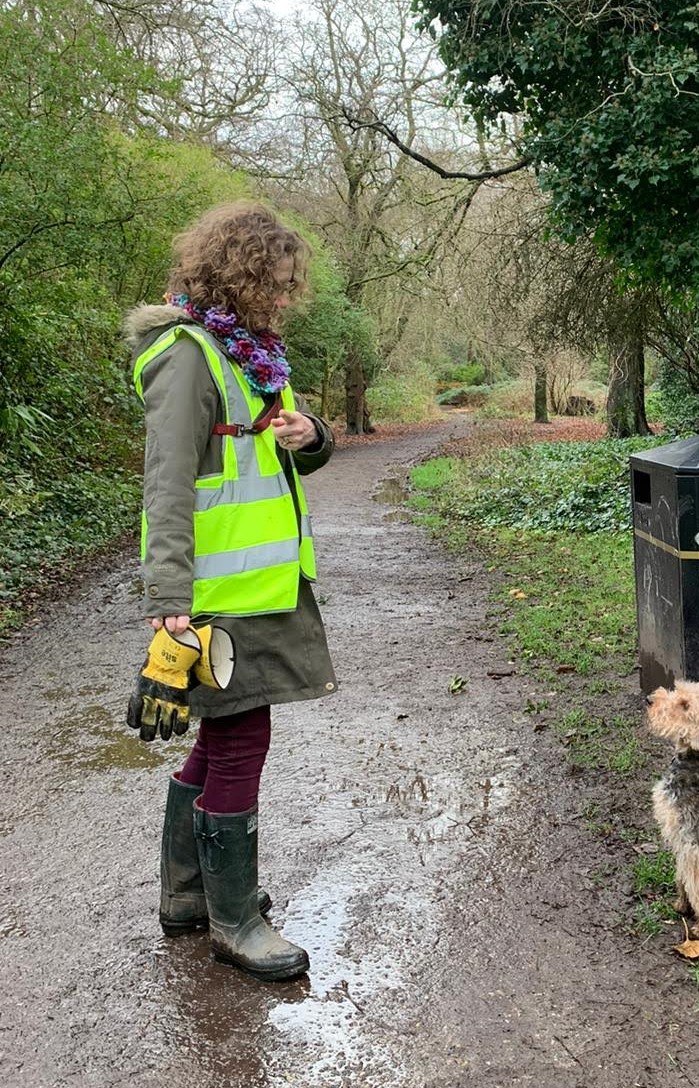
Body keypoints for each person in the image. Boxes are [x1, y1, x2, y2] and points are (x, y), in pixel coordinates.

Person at [123, 202, 337, 982]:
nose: (286, 298)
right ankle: (233, 921)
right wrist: (169, 595)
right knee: (243, 741)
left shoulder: (254, 357)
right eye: (276, 285)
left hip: (264, 586)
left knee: (218, 737)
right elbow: (167, 482)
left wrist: (309, 434)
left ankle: (188, 897)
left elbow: (279, 459)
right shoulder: (189, 357)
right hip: (217, 595)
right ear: (237, 276)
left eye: (289, 286)